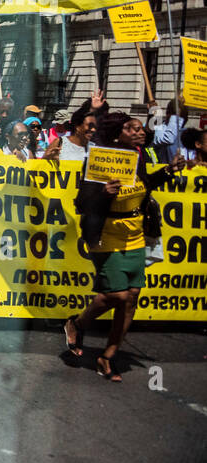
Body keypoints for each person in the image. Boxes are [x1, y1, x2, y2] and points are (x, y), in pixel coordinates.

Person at [67, 112, 187, 381]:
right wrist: (103, 193)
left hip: (135, 235)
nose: (139, 132)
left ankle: (107, 355)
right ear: (116, 134)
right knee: (117, 295)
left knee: (131, 296)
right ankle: (76, 323)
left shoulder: (138, 157)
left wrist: (168, 170)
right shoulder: (99, 160)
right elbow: (82, 203)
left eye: (140, 128)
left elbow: (144, 186)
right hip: (105, 235)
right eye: (131, 129)